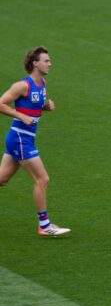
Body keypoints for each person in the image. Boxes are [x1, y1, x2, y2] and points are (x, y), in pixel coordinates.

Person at [0, 46, 70, 236]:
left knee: (2, 179)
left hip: (21, 138)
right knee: (42, 179)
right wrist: (21, 116)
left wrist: (45, 106)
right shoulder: (22, 85)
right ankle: (45, 226)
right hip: (21, 138)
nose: (50, 63)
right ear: (35, 64)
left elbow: (32, 106)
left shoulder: (42, 83)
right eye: (46, 61)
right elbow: (1, 103)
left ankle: (45, 225)